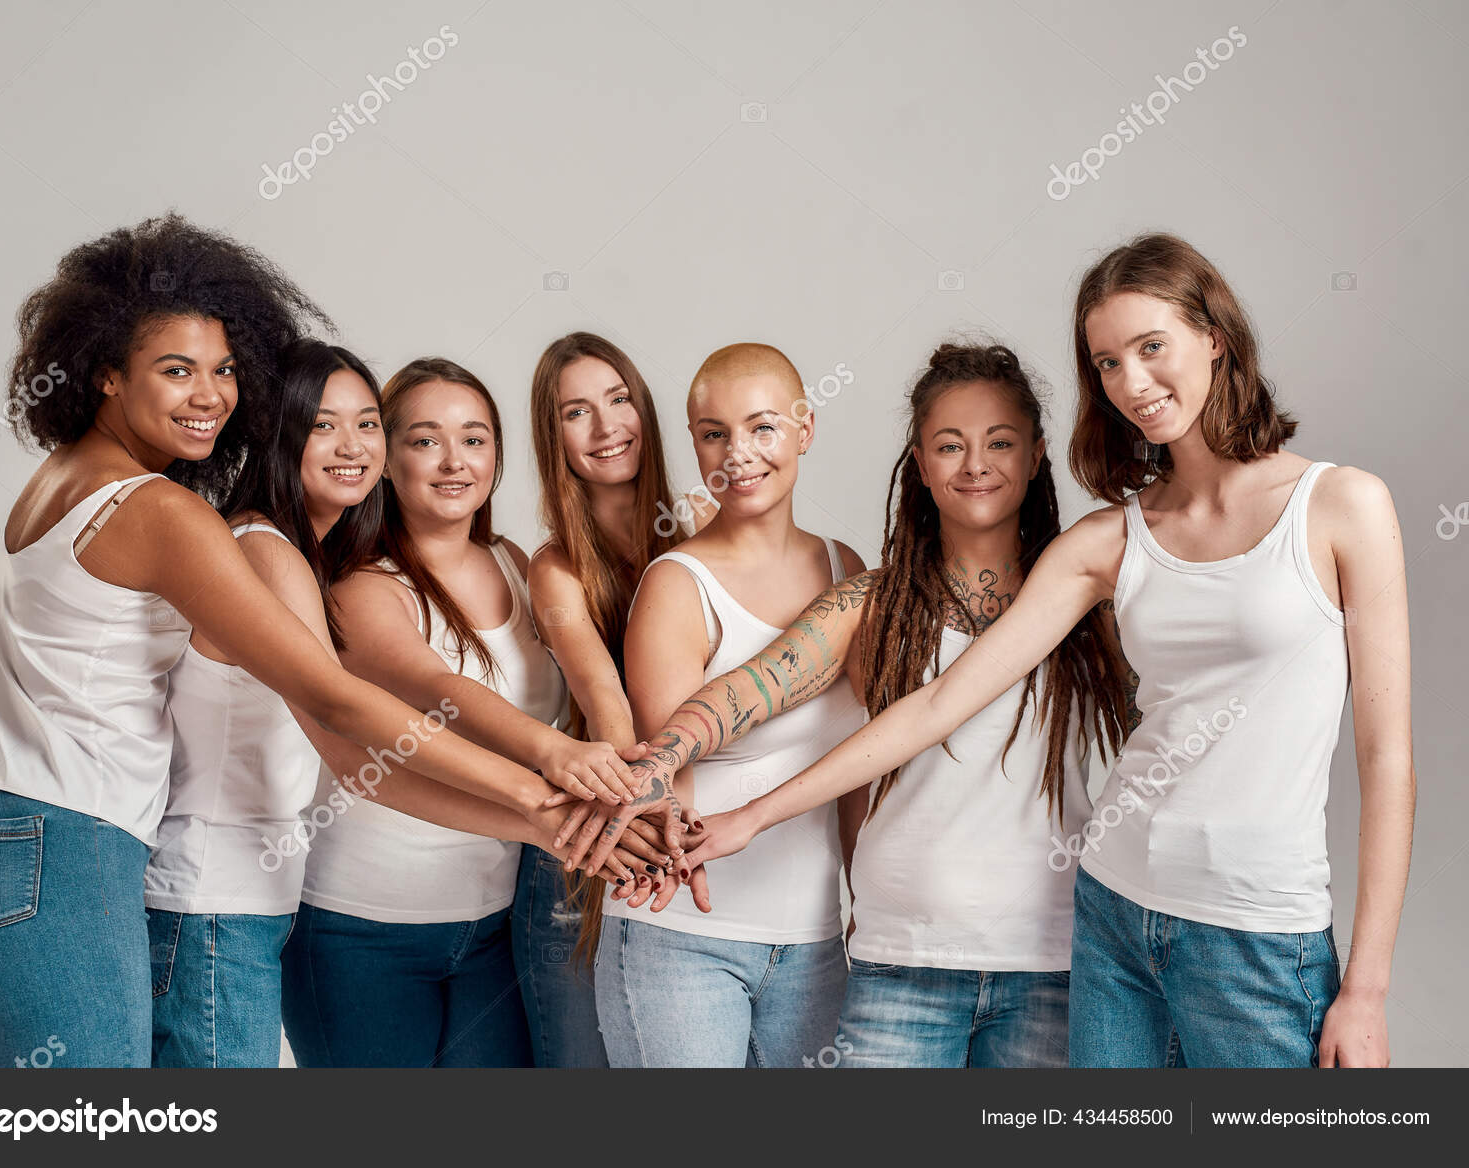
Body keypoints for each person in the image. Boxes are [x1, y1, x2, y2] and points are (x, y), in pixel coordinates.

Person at [601, 235, 1416, 1069]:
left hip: (1170, 939)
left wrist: (1369, 988)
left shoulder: (1289, 520)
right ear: (918, 463)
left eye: (1150, 348)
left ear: (1215, 334)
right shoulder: (1070, 556)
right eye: (1107, 363)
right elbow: (885, 702)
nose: (1132, 382)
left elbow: (1370, 752)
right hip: (1061, 929)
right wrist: (702, 793)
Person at [0, 215, 614, 1069]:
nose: (210, 394)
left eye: (225, 370)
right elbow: (336, 705)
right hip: (72, 861)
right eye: (176, 371)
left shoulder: (62, 483)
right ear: (102, 376)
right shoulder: (170, 515)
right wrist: (544, 795)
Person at [561, 340, 1134, 1067]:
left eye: (1000, 442)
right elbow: (757, 684)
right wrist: (662, 761)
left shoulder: (1085, 599)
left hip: (1048, 954)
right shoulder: (873, 599)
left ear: (1035, 453)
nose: (976, 464)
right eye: (950, 446)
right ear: (920, 464)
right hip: (899, 956)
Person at [280, 357, 652, 1067]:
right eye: (424, 441)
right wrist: (553, 756)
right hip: (364, 927)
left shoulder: (518, 562)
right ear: (387, 460)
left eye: (475, 440)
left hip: (495, 927)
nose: (454, 461)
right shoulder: (363, 587)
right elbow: (442, 693)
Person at [589, 342, 868, 1068]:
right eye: (714, 434)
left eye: (763, 427)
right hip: (680, 934)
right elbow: (666, 770)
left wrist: (866, 898)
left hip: (811, 943)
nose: (738, 453)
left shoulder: (848, 569)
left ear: (805, 430)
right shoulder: (676, 584)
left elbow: (856, 768)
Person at [143, 339, 387, 1066]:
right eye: (323, 424)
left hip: (236, 905)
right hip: (212, 903)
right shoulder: (263, 549)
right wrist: (542, 806)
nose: (352, 446)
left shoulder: (295, 553)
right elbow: (345, 733)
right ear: (279, 436)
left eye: (368, 423)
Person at [515, 332, 692, 1065]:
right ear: (552, 437)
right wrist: (645, 800)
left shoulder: (702, 527)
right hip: (589, 844)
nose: (606, 426)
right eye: (576, 412)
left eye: (618, 400)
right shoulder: (555, 568)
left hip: (674, 832)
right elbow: (606, 701)